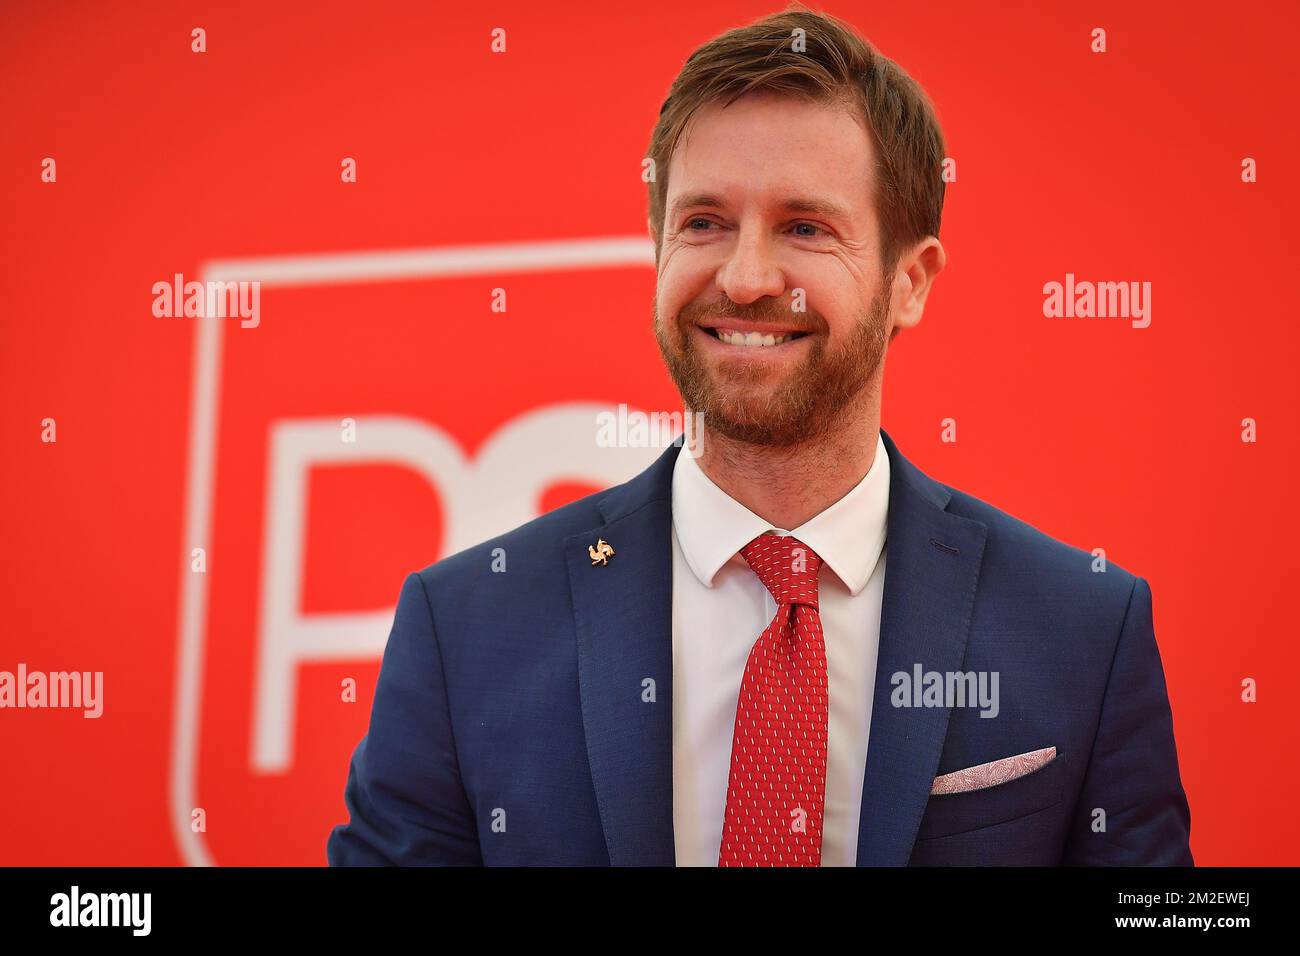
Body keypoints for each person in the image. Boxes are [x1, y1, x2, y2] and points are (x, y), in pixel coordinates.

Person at [327, 6, 1192, 866]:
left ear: (910, 280)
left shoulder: (1083, 629)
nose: (743, 280)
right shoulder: (467, 628)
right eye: (703, 222)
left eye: (804, 227)